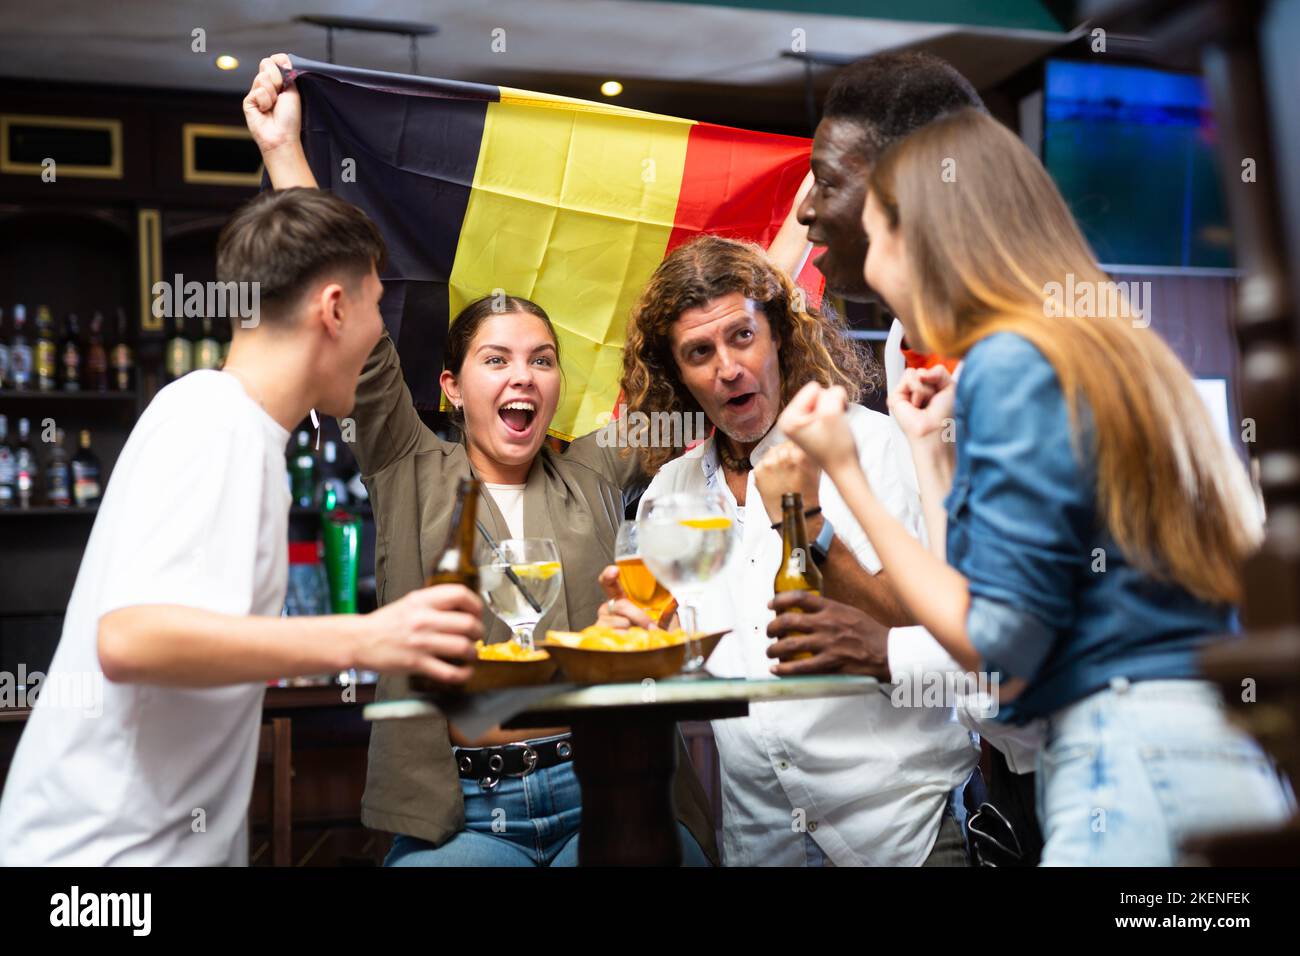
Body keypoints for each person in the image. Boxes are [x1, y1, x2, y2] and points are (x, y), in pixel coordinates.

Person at [777, 107, 1294, 865]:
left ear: (924, 242)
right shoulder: (1100, 347)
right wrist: (931, 456)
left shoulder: (1010, 364)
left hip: (1130, 765)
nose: (872, 267)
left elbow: (996, 650)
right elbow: (996, 613)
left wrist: (844, 473)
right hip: (1210, 754)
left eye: (879, 237)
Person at [243, 54, 717, 866]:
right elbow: (344, 308)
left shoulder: (594, 472)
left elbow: (697, 368)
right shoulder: (404, 462)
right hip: (459, 818)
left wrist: (779, 250)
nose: (522, 376)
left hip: (603, 796)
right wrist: (283, 152)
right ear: (452, 388)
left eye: (541, 359)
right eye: (495, 361)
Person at [0, 188, 484, 866]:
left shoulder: (234, 426)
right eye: (376, 305)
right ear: (335, 310)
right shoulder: (213, 422)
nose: (381, 331)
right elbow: (130, 638)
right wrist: (371, 635)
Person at [599, 233, 977, 866]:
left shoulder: (876, 446)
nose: (727, 368)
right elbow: (683, 663)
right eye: (699, 351)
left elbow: (944, 639)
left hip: (901, 831)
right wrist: (638, 641)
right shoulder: (670, 493)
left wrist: (805, 523)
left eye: (742, 336)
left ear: (778, 333)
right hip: (761, 842)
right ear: (676, 373)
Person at [764, 50, 1043, 861]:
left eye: (825, 181)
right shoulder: (903, 348)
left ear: (901, 191)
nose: (808, 214)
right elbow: (965, 593)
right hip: (1022, 773)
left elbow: (1014, 646)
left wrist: (885, 649)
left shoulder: (1017, 352)